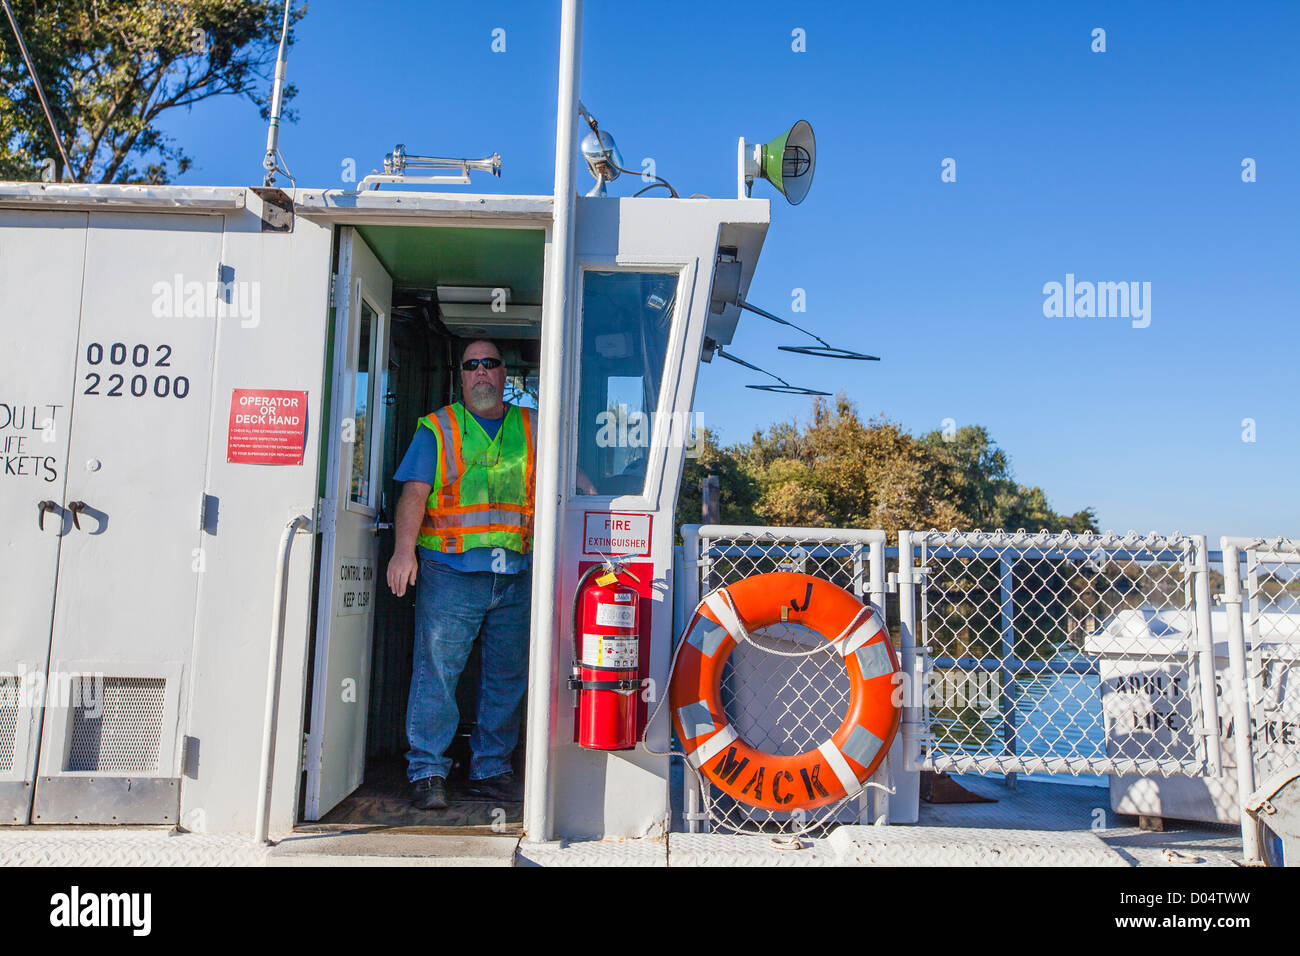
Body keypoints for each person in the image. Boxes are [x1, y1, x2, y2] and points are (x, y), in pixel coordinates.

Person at [386, 339, 535, 810]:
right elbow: (414, 493)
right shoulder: (439, 427)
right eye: (472, 365)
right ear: (461, 375)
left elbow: (574, 485)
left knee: (507, 677)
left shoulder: (531, 425)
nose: (482, 372)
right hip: (450, 573)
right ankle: (428, 771)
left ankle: (490, 770)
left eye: (490, 364)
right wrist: (402, 553)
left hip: (516, 573)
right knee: (438, 675)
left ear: (505, 373)